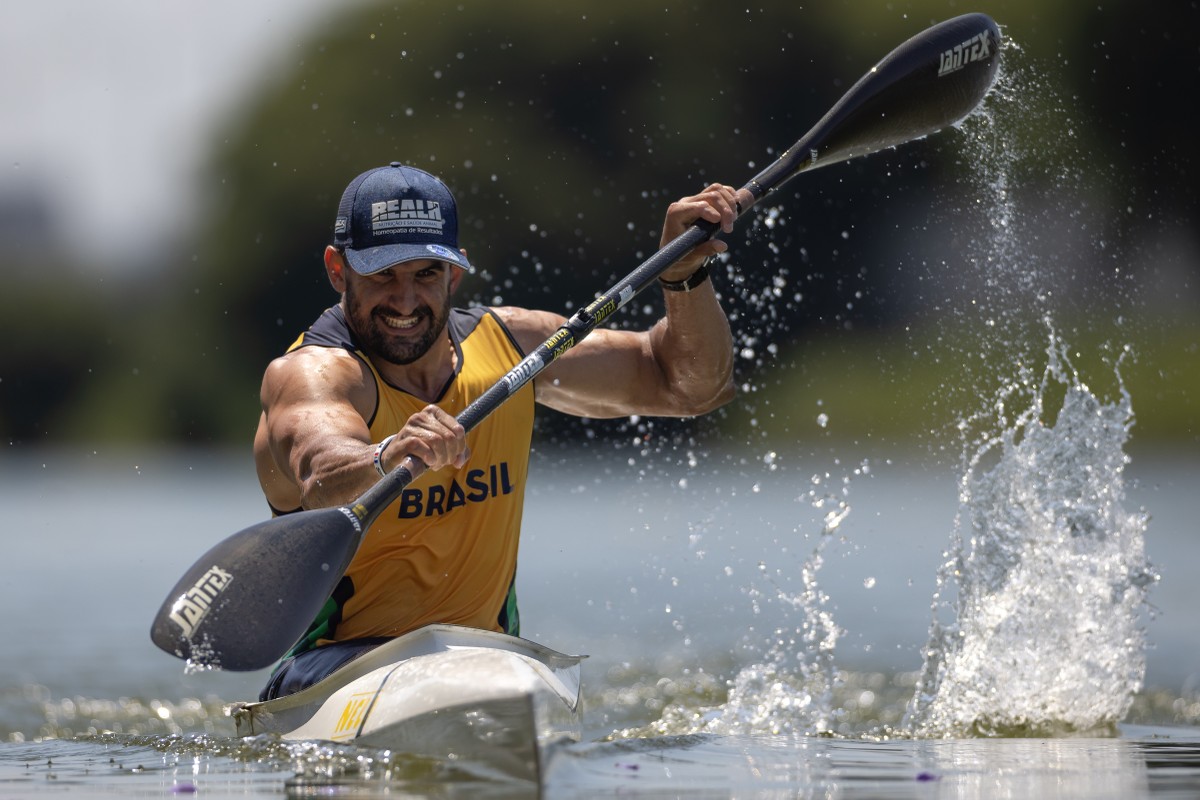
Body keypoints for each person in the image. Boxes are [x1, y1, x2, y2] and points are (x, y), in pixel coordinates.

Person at [253, 162, 736, 699]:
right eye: (383, 275)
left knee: (493, 674)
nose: (406, 300)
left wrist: (685, 278)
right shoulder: (312, 374)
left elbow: (690, 386)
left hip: (486, 664)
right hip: (331, 672)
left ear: (455, 274)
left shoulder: (512, 348)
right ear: (338, 271)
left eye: (425, 274)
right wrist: (390, 452)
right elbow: (322, 475)